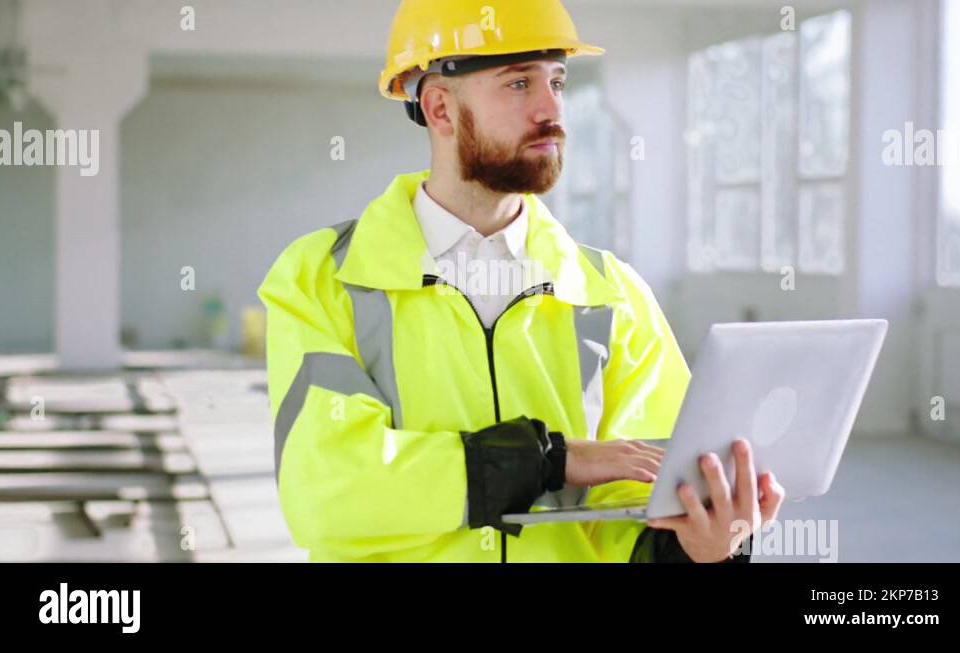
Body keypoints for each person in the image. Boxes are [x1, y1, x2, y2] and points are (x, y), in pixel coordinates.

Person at [257, 0, 785, 562]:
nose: (551, 108)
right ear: (439, 108)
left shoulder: (609, 292)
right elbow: (330, 491)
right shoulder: (324, 278)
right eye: (517, 84)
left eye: (557, 81)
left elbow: (637, 495)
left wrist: (697, 548)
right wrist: (548, 461)